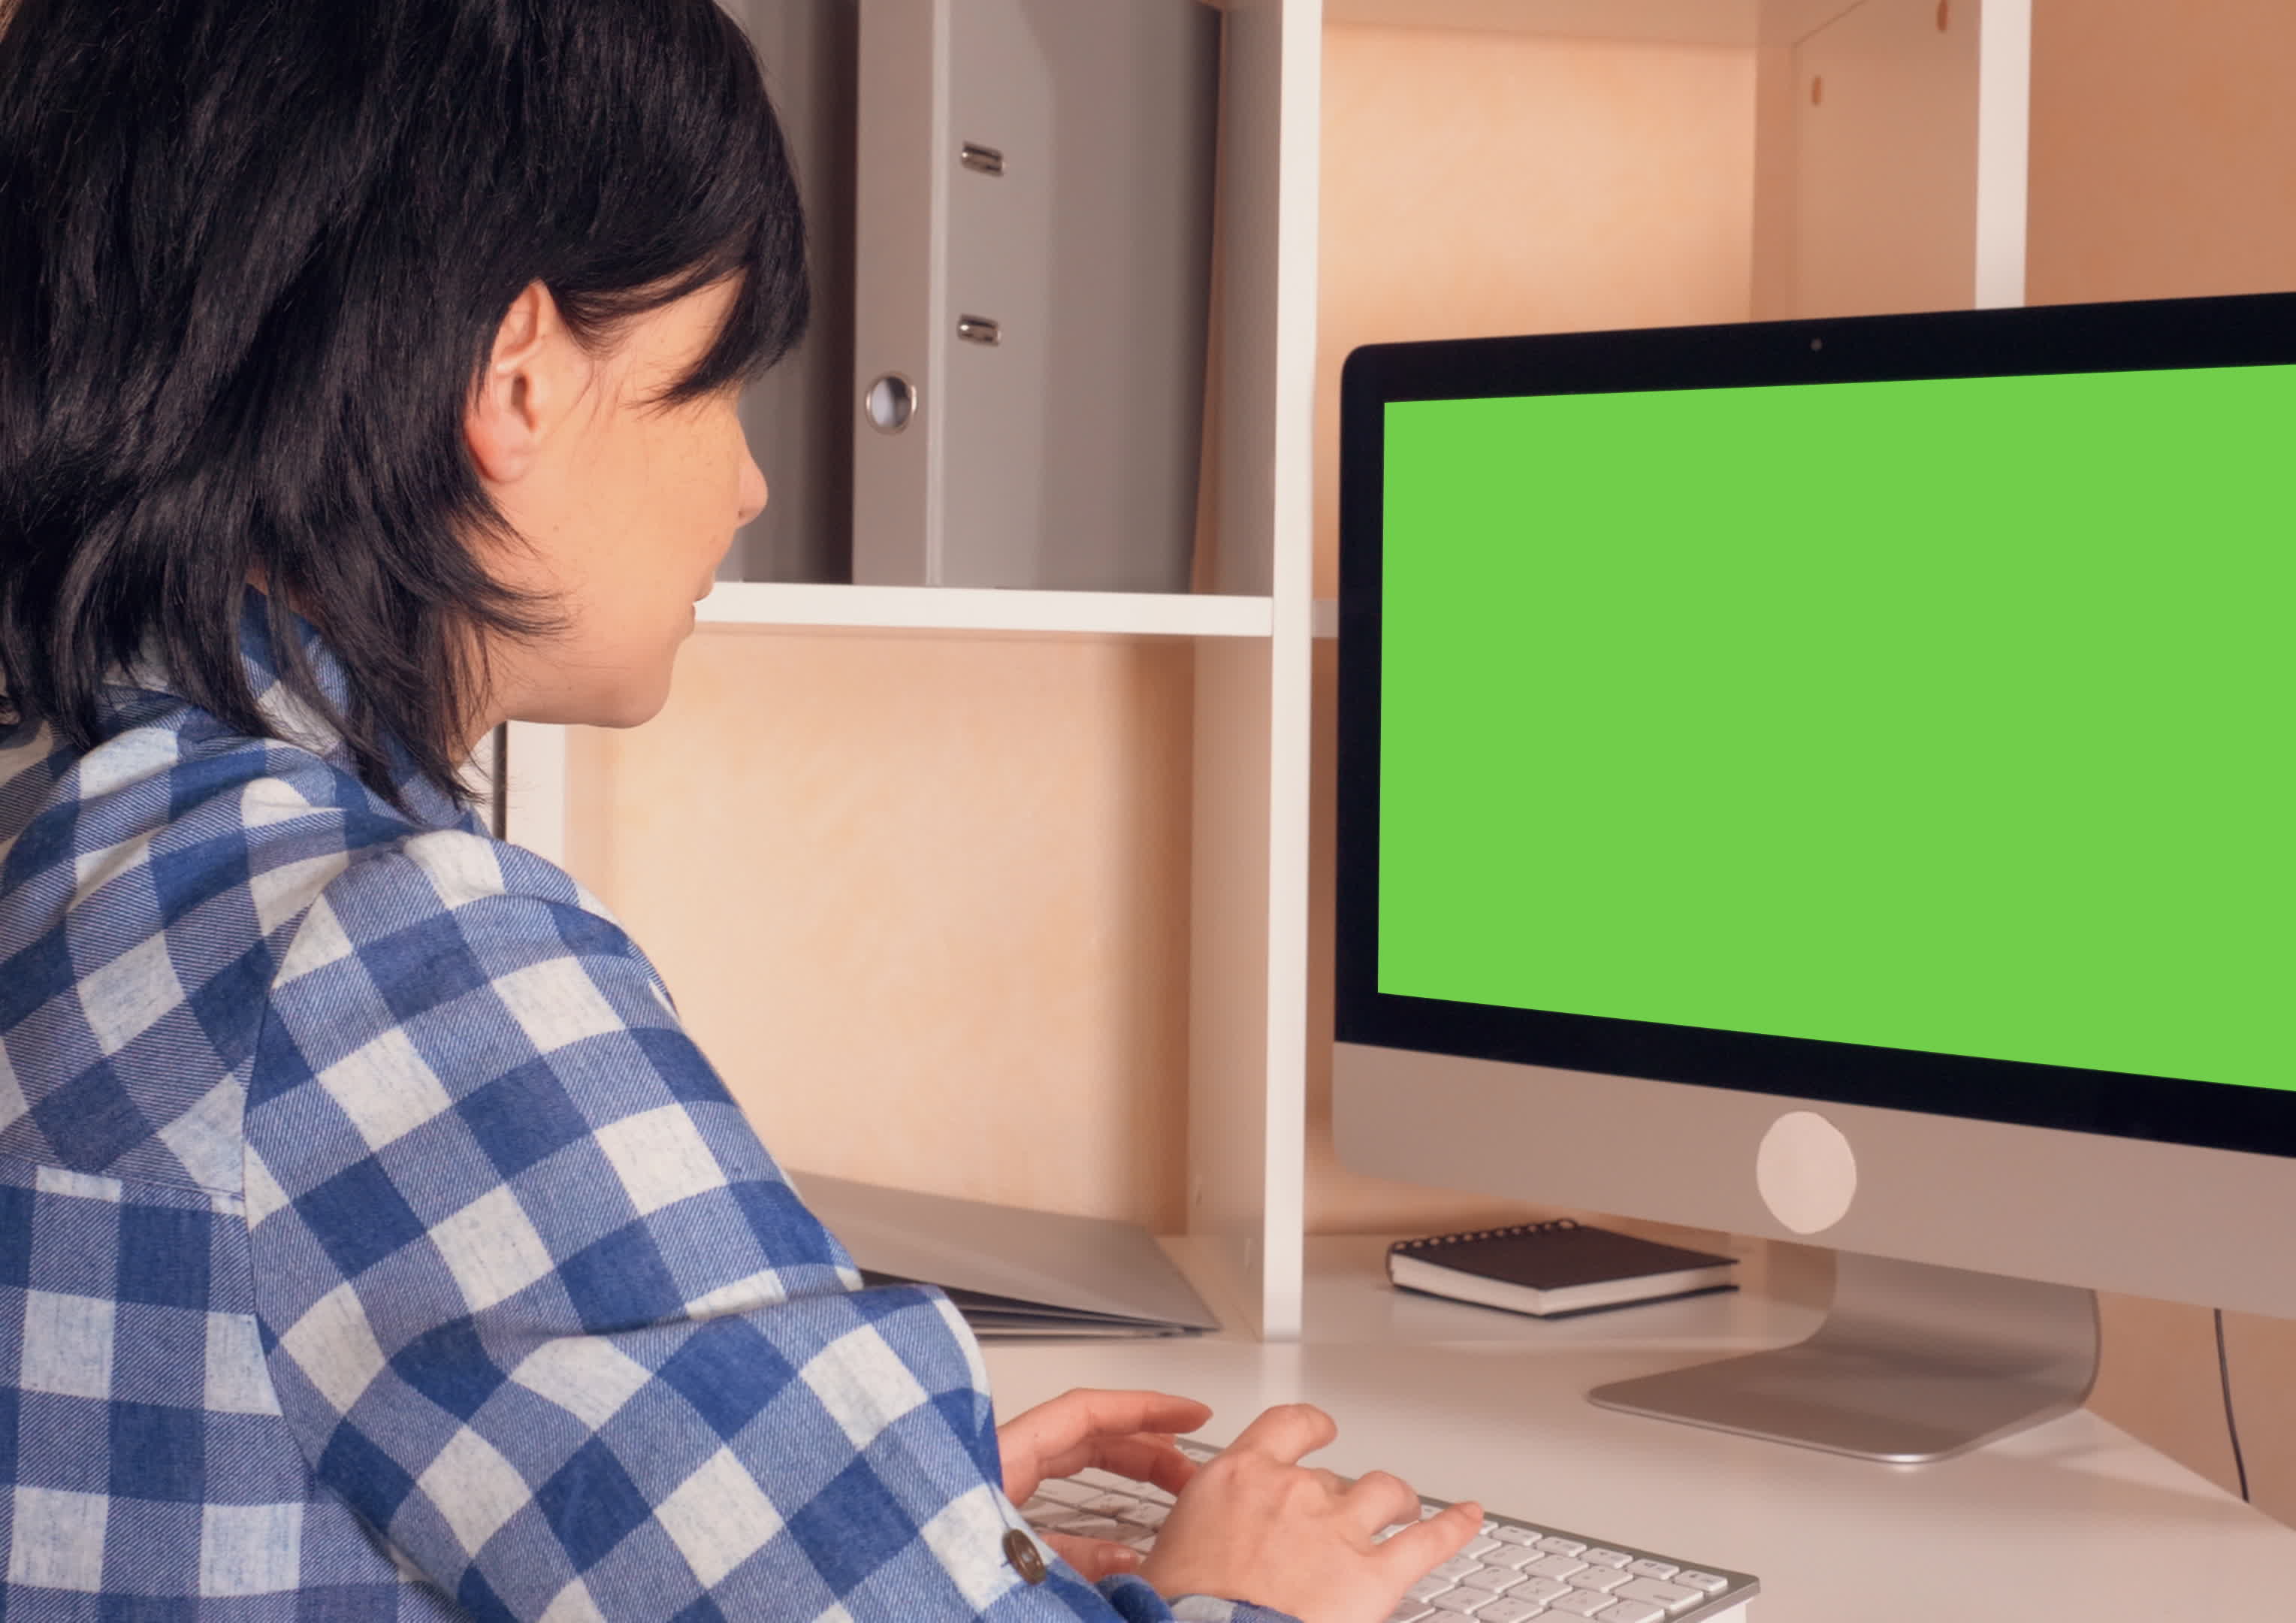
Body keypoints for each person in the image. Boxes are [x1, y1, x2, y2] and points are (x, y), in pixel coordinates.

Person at [0, 1, 1482, 1617]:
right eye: (714, 383)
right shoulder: (382, 963)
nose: (752, 483)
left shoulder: (81, 853)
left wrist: (867, 1503)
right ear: (521, 379)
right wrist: (1254, 1595)